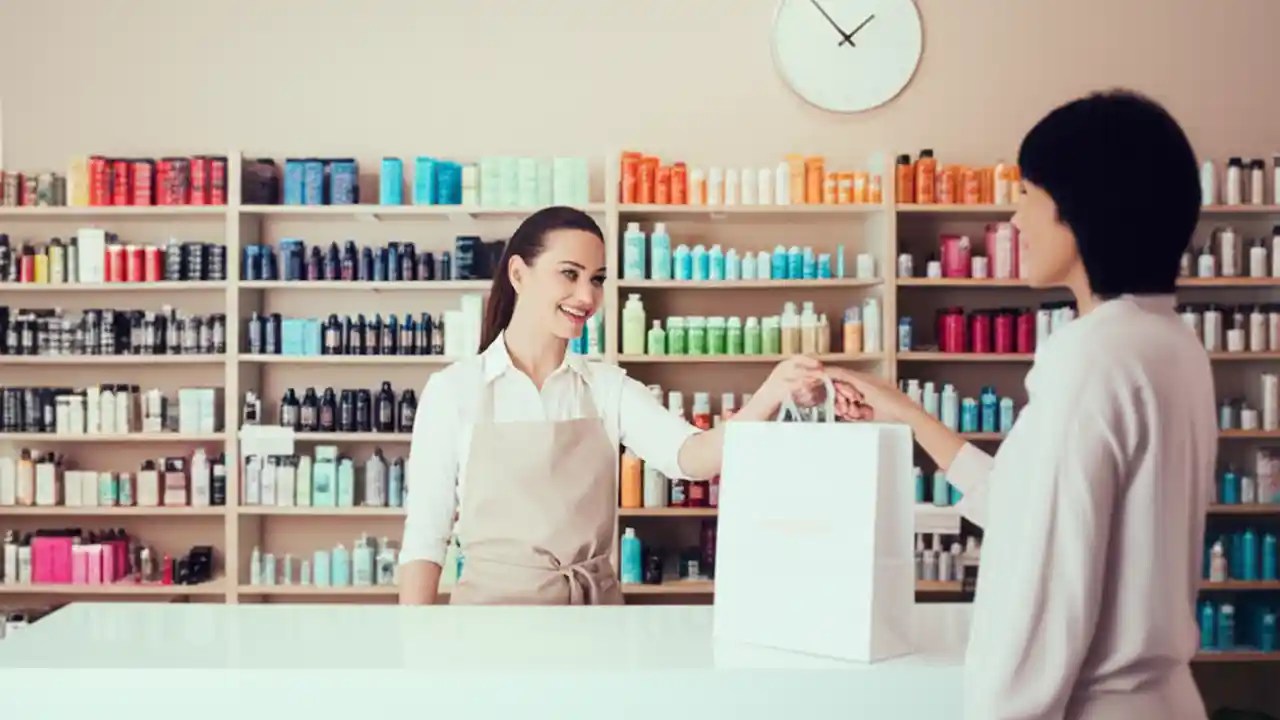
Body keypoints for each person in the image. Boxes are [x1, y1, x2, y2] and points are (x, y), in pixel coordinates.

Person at [831, 91, 1215, 719]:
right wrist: (905, 412)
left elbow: (1040, 592)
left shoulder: (1090, 358)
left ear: (1082, 207)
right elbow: (1027, 506)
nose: (1014, 220)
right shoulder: (1167, 341)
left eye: (1028, 194)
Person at [398, 206, 824, 606]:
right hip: (487, 628)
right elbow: (425, 537)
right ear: (518, 274)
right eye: (570, 274)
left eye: (597, 279)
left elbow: (690, 457)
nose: (586, 296)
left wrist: (769, 395)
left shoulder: (605, 386)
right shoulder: (454, 390)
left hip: (591, 622)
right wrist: (415, 651)